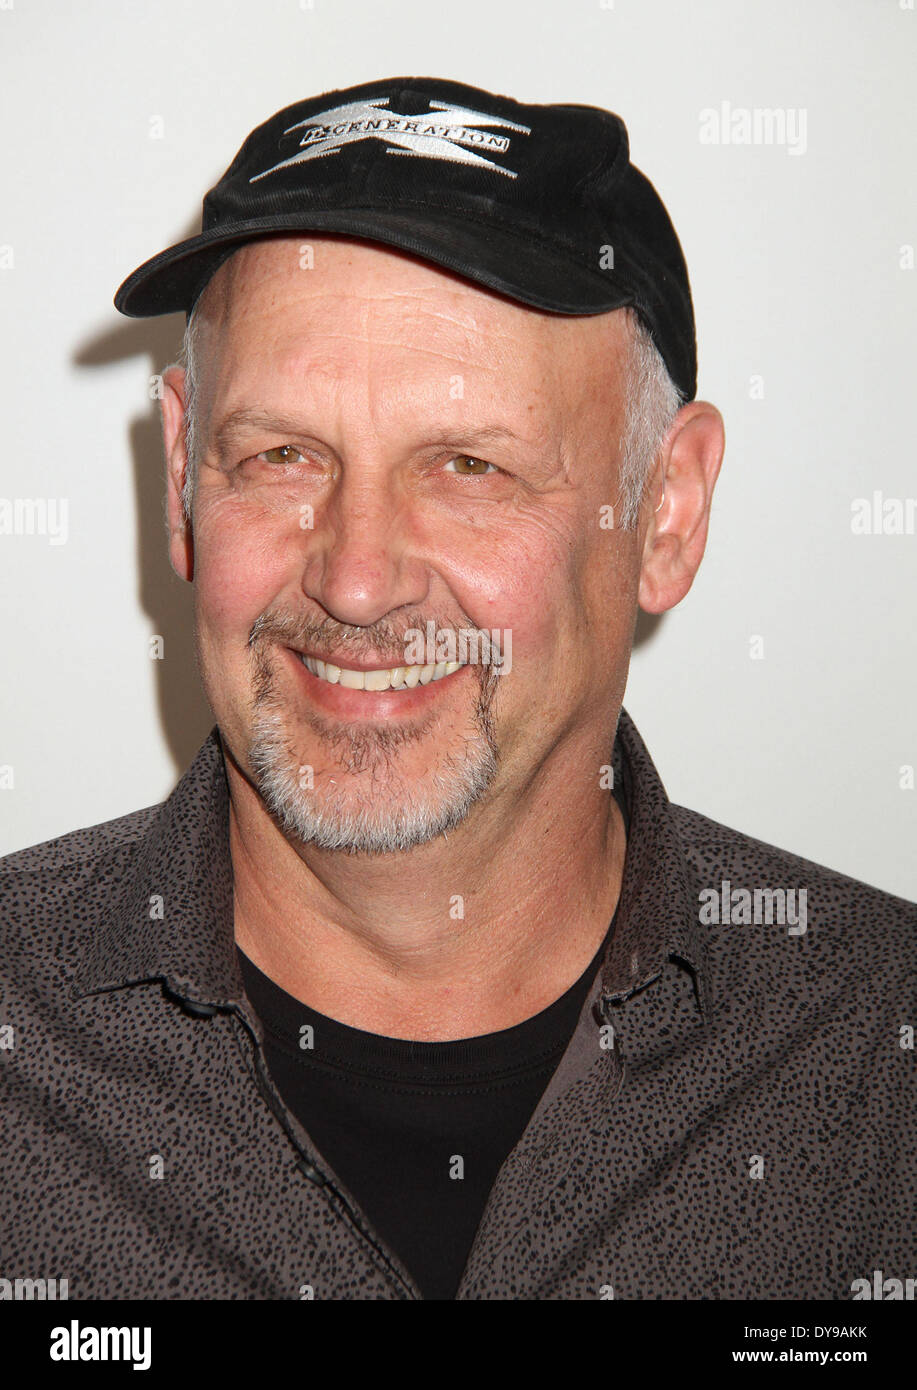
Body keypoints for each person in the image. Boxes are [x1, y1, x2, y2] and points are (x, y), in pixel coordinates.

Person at [0, 76, 912, 1302]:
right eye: (280, 456)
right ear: (180, 474)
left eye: (469, 466)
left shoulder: (878, 1073)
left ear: (667, 515)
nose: (358, 580)